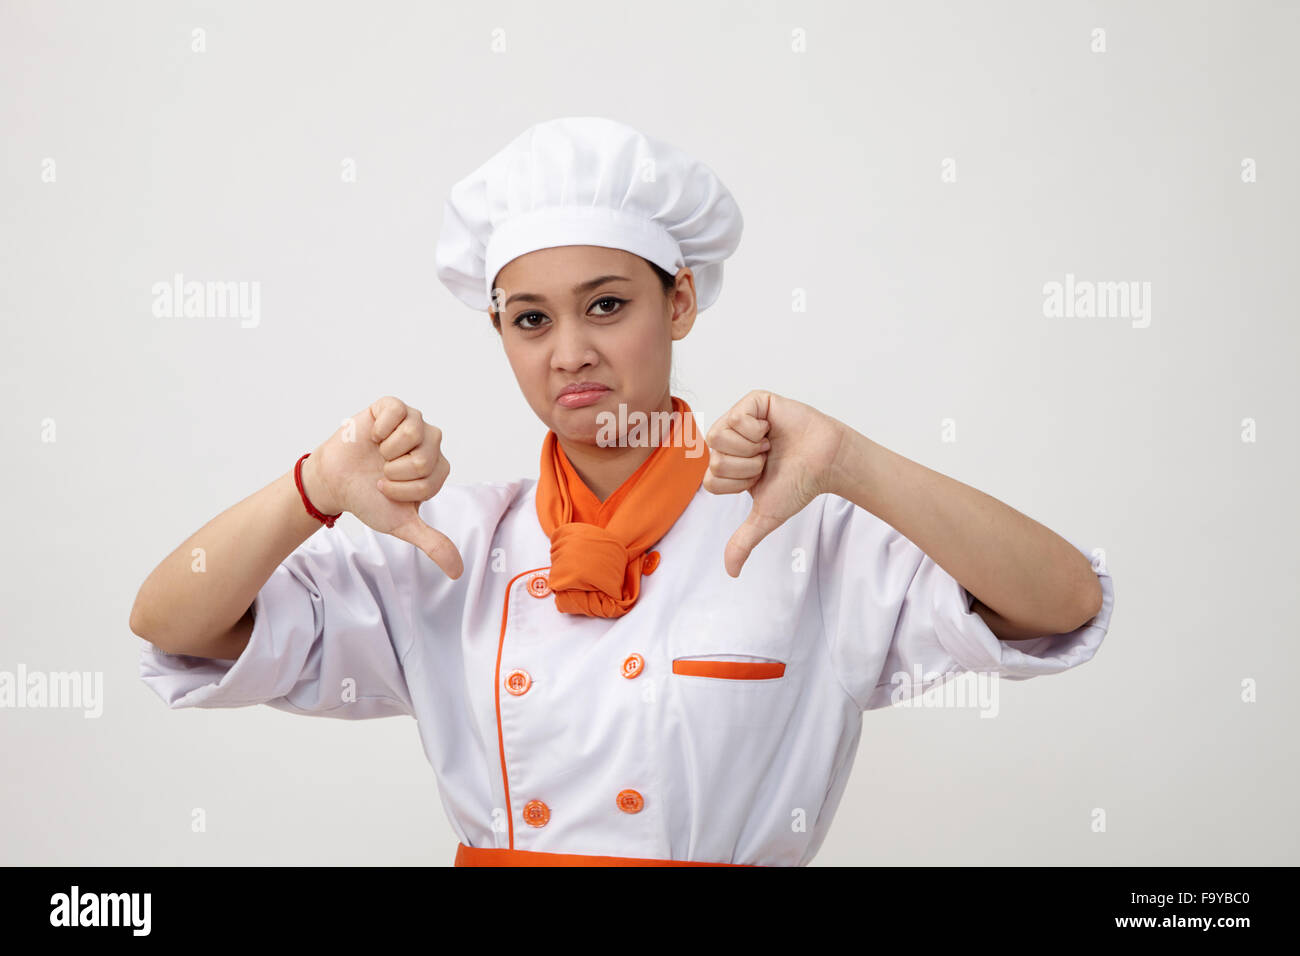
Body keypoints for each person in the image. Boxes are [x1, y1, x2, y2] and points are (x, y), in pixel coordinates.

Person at [130, 116, 1115, 866]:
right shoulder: (452, 546)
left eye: (607, 304)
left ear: (678, 299)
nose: (570, 353)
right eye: (528, 319)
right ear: (500, 333)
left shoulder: (802, 536)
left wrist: (858, 462)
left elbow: (1060, 600)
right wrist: (312, 487)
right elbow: (172, 622)